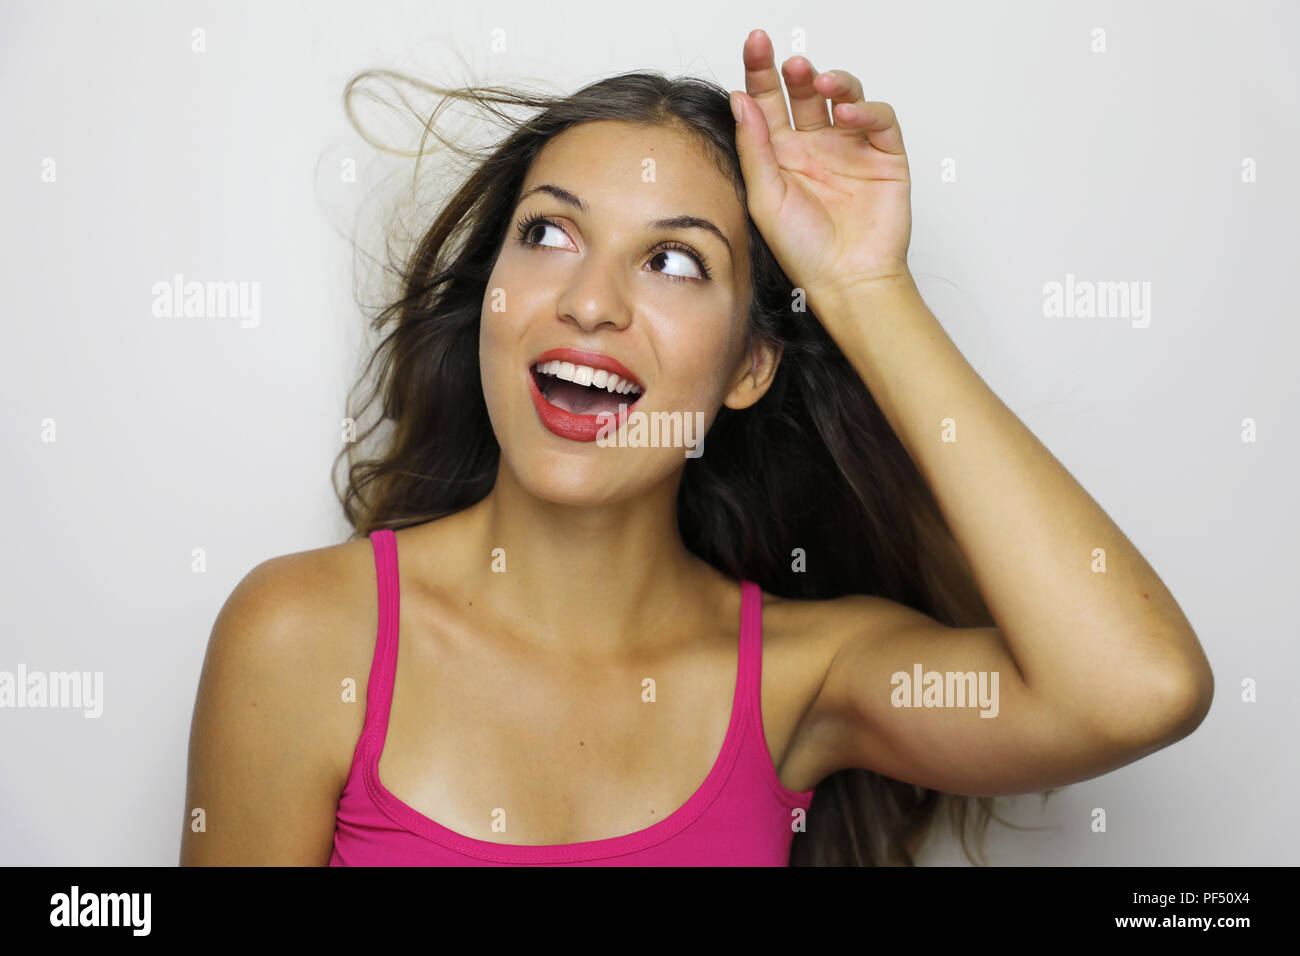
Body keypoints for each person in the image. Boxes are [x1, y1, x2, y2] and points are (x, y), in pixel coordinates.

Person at [180, 28, 1213, 866]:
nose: (588, 301)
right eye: (547, 234)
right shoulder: (306, 636)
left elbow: (1137, 688)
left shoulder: (803, 679)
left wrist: (862, 285)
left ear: (749, 366)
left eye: (673, 260)